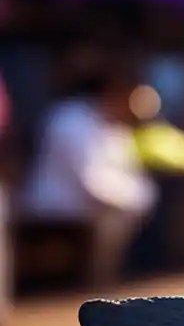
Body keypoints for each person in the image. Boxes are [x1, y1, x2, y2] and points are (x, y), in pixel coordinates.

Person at [21, 70, 156, 286]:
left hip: (92, 207)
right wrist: (135, 200)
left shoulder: (118, 129)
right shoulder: (70, 119)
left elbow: (132, 177)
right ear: (116, 94)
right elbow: (90, 182)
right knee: (114, 219)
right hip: (56, 207)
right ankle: (95, 285)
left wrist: (141, 199)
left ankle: (103, 283)